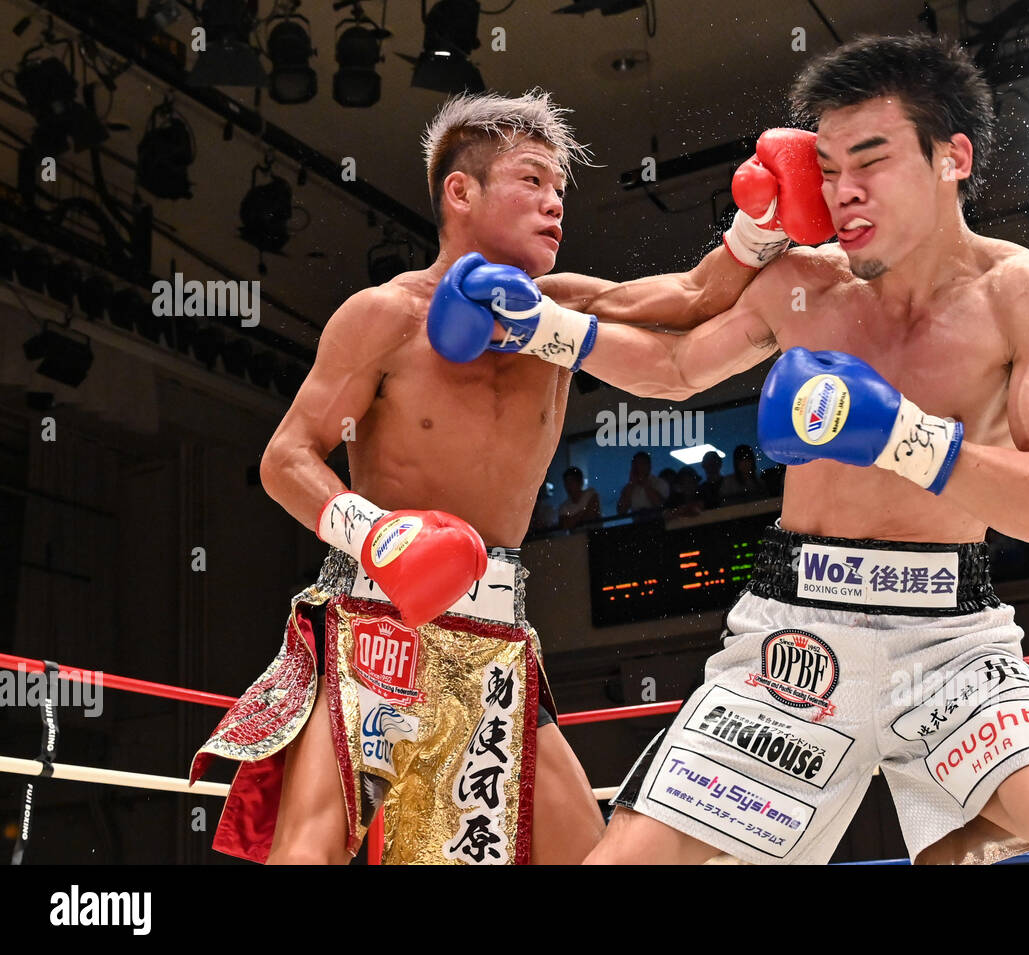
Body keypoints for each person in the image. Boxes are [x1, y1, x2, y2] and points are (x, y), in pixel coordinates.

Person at [475, 36, 1029, 865]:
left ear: (953, 157)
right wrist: (530, 323)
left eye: (870, 161)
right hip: (787, 642)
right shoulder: (807, 284)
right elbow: (675, 364)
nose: (842, 193)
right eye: (827, 168)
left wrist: (900, 437)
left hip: (952, 647)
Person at [190, 88, 805, 865]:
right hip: (377, 618)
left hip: (497, 635)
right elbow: (285, 458)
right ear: (461, 191)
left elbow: (690, 298)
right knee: (308, 848)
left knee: (593, 854)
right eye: (532, 181)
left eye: (559, 190)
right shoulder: (386, 315)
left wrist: (761, 223)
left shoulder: (560, 310)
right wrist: (377, 533)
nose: (554, 204)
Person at [617, 451, 670, 516]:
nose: (638, 468)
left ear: (649, 466)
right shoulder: (628, 488)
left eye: (641, 464)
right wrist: (631, 486)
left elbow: (661, 505)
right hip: (638, 524)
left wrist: (646, 486)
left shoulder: (660, 483)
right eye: (635, 464)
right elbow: (621, 511)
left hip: (657, 523)